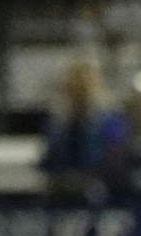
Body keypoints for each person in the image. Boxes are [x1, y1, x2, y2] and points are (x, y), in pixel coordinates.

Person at [41, 58, 130, 203]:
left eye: (83, 84)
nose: (77, 88)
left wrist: (94, 176)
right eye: (72, 84)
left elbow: (117, 159)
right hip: (62, 189)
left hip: (102, 190)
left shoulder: (109, 119)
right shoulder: (58, 122)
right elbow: (49, 159)